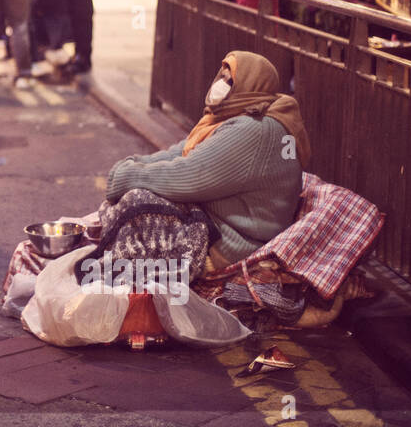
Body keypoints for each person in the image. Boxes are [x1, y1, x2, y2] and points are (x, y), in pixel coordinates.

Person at [103, 50, 310, 269]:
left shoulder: (255, 129)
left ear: (251, 85)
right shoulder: (239, 115)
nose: (221, 84)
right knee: (129, 204)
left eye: (231, 81)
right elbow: (183, 151)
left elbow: (188, 174)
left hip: (235, 243)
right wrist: (136, 162)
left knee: (135, 203)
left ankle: (132, 289)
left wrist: (126, 176)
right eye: (222, 76)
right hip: (217, 222)